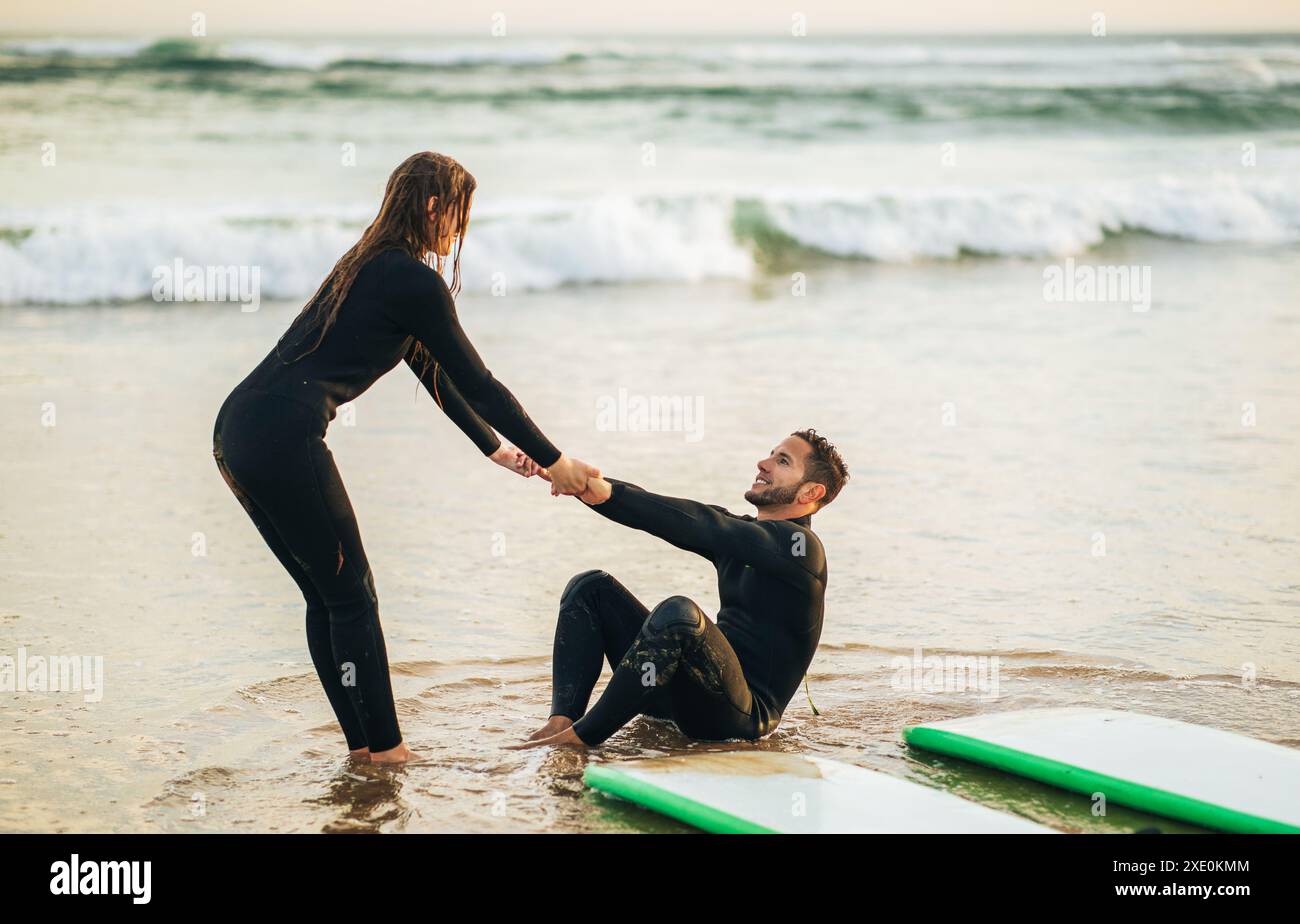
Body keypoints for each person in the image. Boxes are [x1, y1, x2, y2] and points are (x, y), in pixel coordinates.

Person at [212, 152, 598, 763]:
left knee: (328, 596)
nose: (459, 231)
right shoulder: (413, 281)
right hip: (284, 436)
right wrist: (558, 462)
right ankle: (388, 751)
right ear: (432, 206)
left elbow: (433, 370)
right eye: (459, 214)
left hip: (238, 432)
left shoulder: (369, 266)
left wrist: (497, 449)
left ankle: (363, 749)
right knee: (352, 596)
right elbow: (479, 381)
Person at [516, 430, 848, 749]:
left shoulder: (800, 548)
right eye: (772, 454)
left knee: (679, 614)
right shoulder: (745, 536)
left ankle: (582, 738)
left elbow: (703, 524)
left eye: (783, 461)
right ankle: (561, 722)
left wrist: (604, 491)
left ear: (811, 493)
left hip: (738, 719)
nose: (764, 463)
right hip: (684, 697)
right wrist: (577, 480)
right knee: (590, 588)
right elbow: (665, 513)